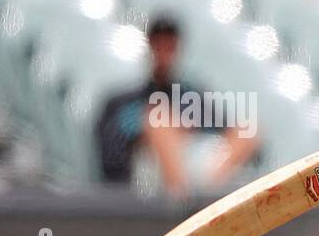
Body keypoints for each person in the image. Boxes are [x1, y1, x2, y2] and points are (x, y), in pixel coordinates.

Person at [95, 16, 259, 197]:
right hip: (151, 174)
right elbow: (113, 153)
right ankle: (184, 200)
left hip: (198, 169)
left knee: (246, 129)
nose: (164, 52)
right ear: (150, 47)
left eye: (169, 45)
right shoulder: (124, 102)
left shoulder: (194, 97)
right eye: (159, 45)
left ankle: (205, 195)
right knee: (160, 120)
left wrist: (188, 131)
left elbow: (220, 133)